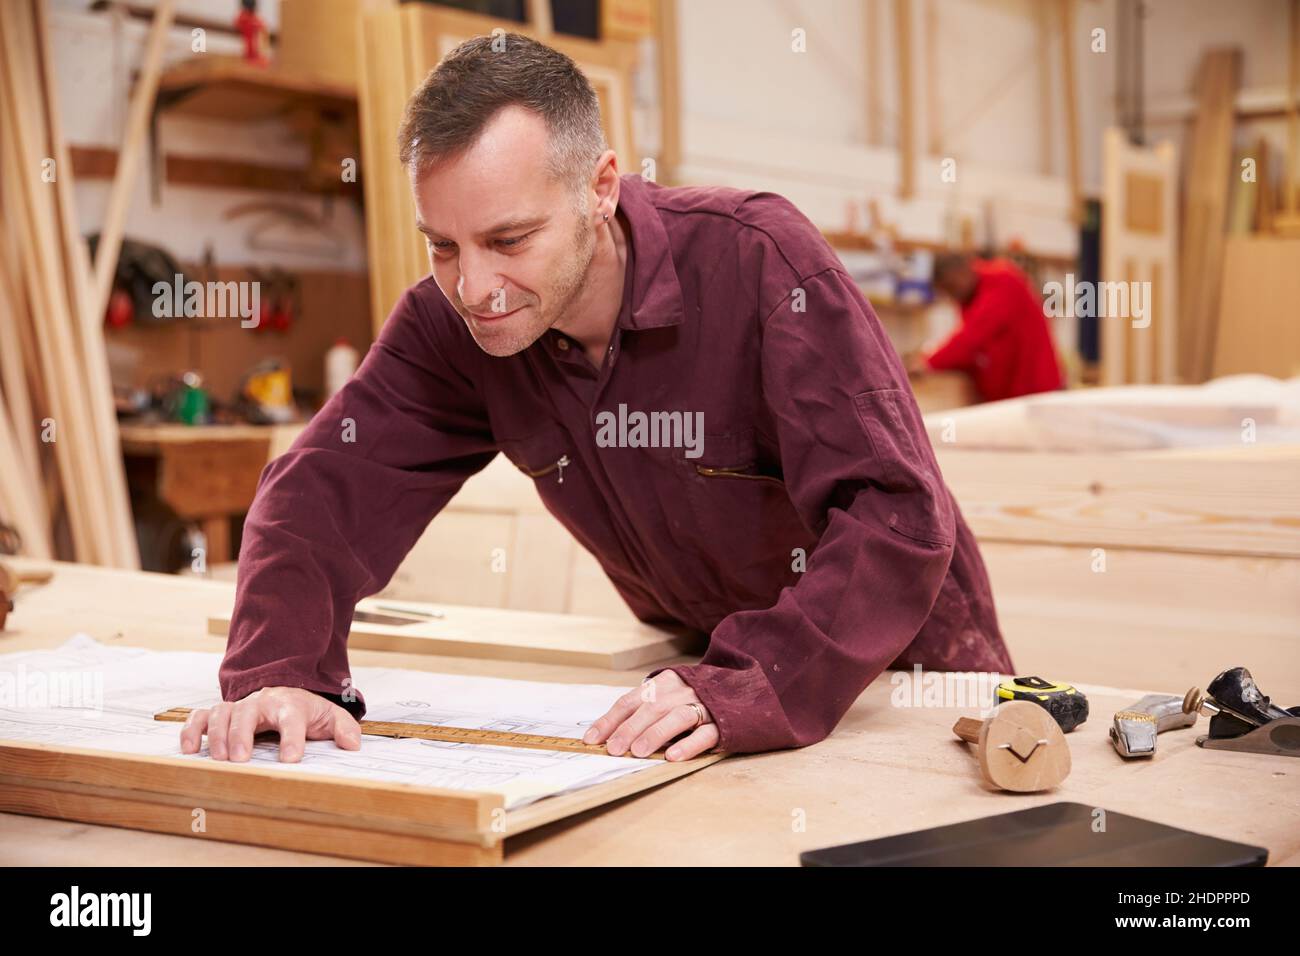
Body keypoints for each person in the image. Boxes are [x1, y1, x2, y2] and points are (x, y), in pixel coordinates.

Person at [180, 33, 1012, 766]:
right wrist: (281, 672)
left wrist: (756, 678)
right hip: (703, 693)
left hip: (908, 689)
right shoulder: (451, 329)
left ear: (601, 187)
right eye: (443, 246)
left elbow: (896, 515)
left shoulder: (759, 262)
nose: (475, 289)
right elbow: (324, 490)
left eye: (509, 241)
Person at [908, 253, 1064, 402]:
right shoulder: (970, 297)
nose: (952, 296)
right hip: (1013, 398)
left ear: (961, 271)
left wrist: (928, 363)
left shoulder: (1002, 280)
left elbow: (971, 337)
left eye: (952, 287)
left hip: (1037, 393)